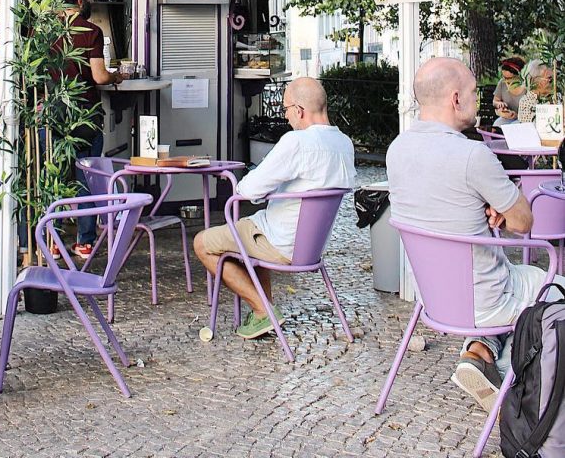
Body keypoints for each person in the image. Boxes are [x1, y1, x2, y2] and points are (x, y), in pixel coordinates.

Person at [386, 57, 564, 414]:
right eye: (471, 93)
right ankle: (505, 376)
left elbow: (448, 209)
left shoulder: (397, 150)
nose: (477, 100)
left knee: (508, 277)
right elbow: (524, 222)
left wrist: (487, 209)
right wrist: (503, 208)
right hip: (484, 299)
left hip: (434, 295)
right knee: (553, 285)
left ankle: (479, 352)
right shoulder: (472, 155)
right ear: (455, 99)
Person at [193, 77, 356, 340]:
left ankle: (263, 310)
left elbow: (246, 190)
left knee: (203, 243)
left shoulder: (297, 142)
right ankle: (262, 314)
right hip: (311, 248)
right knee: (253, 228)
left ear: (299, 110)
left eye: (285, 110)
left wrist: (266, 183)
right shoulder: (344, 144)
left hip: (280, 242)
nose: (287, 117)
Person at [56, 0, 123, 259]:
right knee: (86, 177)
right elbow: (99, 76)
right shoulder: (90, 31)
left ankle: (52, 240)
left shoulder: (46, 32)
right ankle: (84, 241)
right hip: (84, 116)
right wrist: (117, 75)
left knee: (55, 175)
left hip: (53, 115)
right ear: (81, 2)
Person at [492, 56, 525, 125]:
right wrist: (499, 105)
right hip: (509, 117)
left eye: (510, 78)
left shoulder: (527, 86)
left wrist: (517, 115)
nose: (506, 81)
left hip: (524, 119)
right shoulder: (502, 82)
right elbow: (495, 101)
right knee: (497, 124)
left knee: (513, 127)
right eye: (504, 77)